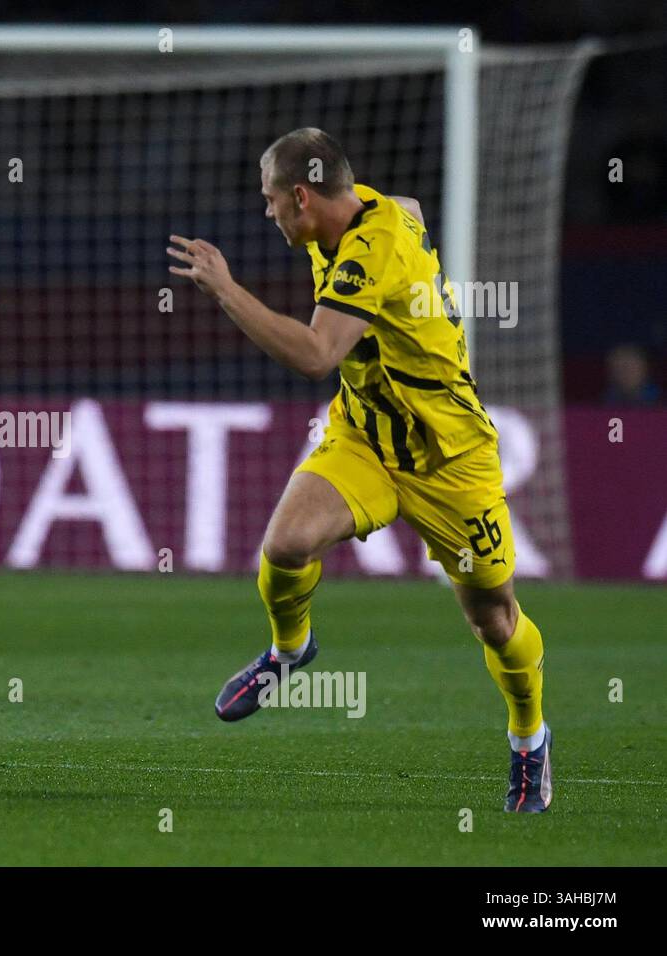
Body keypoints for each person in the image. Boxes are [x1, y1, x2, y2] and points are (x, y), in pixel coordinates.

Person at [167, 127, 551, 812]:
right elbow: (409, 206)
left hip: (450, 459)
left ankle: (529, 739)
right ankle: (290, 652)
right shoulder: (366, 212)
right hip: (367, 438)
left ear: (303, 197)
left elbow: (317, 354)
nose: (268, 213)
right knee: (285, 545)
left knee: (494, 620)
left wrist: (227, 290)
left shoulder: (371, 250)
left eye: (271, 200)